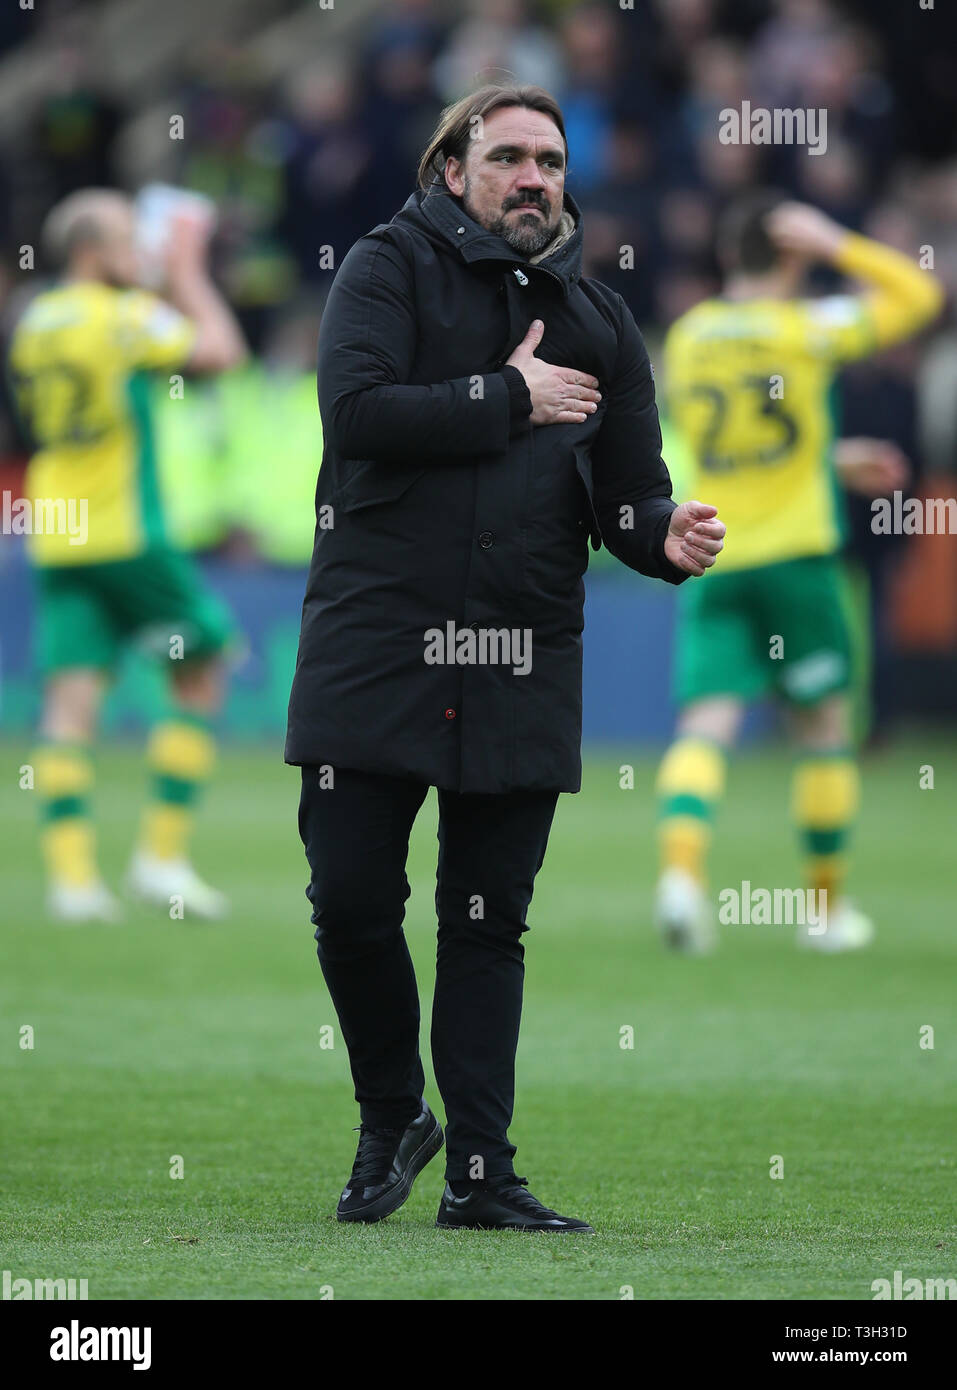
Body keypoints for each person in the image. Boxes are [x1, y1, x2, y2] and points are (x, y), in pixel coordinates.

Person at [285, 84, 725, 1232]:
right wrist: (506, 394)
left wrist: (660, 537)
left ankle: (481, 1173)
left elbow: (630, 494)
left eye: (551, 162)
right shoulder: (384, 267)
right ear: (453, 169)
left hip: (522, 650)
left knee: (486, 921)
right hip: (377, 641)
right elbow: (357, 412)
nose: (535, 180)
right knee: (349, 901)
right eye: (512, 157)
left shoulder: (602, 319)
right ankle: (396, 1115)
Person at [655, 194, 944, 955]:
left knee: (704, 724)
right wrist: (839, 243)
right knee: (821, 731)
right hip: (798, 556)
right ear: (791, 255)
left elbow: (737, 445)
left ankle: (681, 879)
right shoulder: (808, 328)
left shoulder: (688, 338)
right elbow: (920, 296)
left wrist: (833, 460)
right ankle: (823, 913)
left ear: (725, 255)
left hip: (714, 552)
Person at [9, 189, 247, 923]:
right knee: (205, 665)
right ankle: (160, 859)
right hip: (124, 529)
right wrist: (187, 268)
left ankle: (73, 882)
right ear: (92, 249)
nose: (136, 248)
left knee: (70, 698)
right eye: (125, 237)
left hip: (57, 523)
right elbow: (220, 352)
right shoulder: (121, 318)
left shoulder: (34, 319)